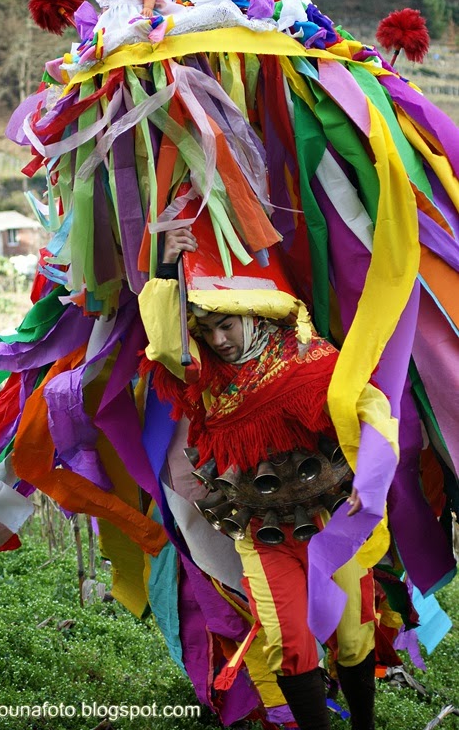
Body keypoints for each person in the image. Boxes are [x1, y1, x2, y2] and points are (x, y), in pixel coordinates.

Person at [139, 228, 379, 730]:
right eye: (207, 333)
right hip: (263, 536)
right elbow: (164, 348)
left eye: (225, 325)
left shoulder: (311, 362)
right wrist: (164, 270)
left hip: (335, 524)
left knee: (355, 640)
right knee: (290, 645)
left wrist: (372, 477)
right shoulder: (207, 383)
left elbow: (372, 411)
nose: (218, 341)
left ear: (252, 312)